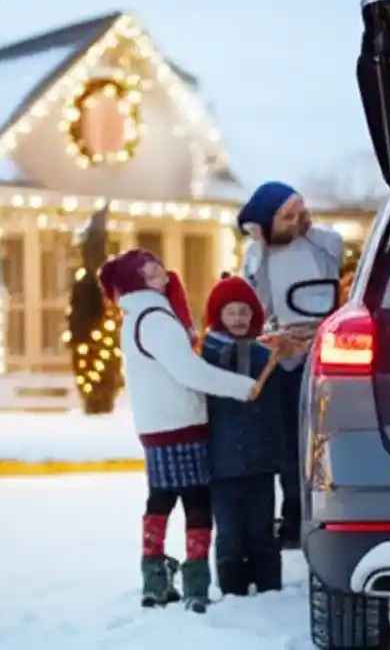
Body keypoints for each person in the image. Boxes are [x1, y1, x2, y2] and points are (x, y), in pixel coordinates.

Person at [98, 249, 256, 613]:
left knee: (161, 498)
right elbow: (190, 373)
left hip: (155, 424)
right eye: (153, 273)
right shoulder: (156, 319)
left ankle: (154, 577)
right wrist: (242, 387)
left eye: (161, 270)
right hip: (181, 422)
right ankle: (196, 584)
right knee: (197, 501)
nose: (164, 277)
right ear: (137, 282)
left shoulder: (136, 317)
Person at [237, 181, 342, 549]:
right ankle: (292, 511)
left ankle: (317, 510)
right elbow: (258, 301)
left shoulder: (323, 243)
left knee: (315, 438)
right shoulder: (255, 254)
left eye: (300, 213)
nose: (297, 221)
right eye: (287, 216)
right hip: (276, 355)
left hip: (315, 351)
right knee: (283, 441)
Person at [199, 276, 284, 596]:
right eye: (231, 312)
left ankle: (268, 583)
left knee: (262, 527)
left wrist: (278, 452)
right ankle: (232, 585)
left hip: (260, 460)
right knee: (230, 530)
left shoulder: (265, 356)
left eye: (244, 312)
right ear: (218, 315)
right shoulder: (206, 356)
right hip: (221, 462)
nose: (238, 319)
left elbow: (275, 408)